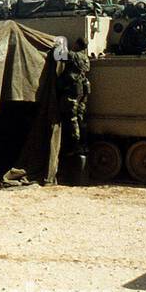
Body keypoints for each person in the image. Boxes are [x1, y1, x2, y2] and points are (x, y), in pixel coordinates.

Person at [55, 39, 92, 184]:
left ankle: (76, 145)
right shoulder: (85, 58)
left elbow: (59, 55)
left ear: (77, 45)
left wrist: (59, 42)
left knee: (72, 119)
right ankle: (83, 144)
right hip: (83, 91)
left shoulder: (75, 55)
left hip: (73, 91)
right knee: (81, 119)